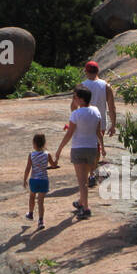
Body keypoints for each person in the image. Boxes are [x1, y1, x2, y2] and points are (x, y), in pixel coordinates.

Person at [54, 87, 104, 219]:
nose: (73, 99)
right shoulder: (96, 111)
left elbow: (69, 133)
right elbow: (98, 132)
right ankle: (80, 202)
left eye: (75, 97)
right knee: (85, 179)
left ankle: (86, 208)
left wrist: (59, 149)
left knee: (82, 182)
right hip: (92, 148)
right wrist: (102, 147)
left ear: (81, 99)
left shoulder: (75, 114)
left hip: (78, 149)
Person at [22, 132, 56, 230]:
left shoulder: (31, 155)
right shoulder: (47, 154)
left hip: (34, 180)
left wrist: (24, 179)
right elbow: (53, 165)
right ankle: (41, 220)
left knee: (32, 197)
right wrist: (56, 161)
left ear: (34, 143)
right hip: (44, 180)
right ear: (44, 143)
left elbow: (28, 168)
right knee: (41, 202)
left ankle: (31, 213)